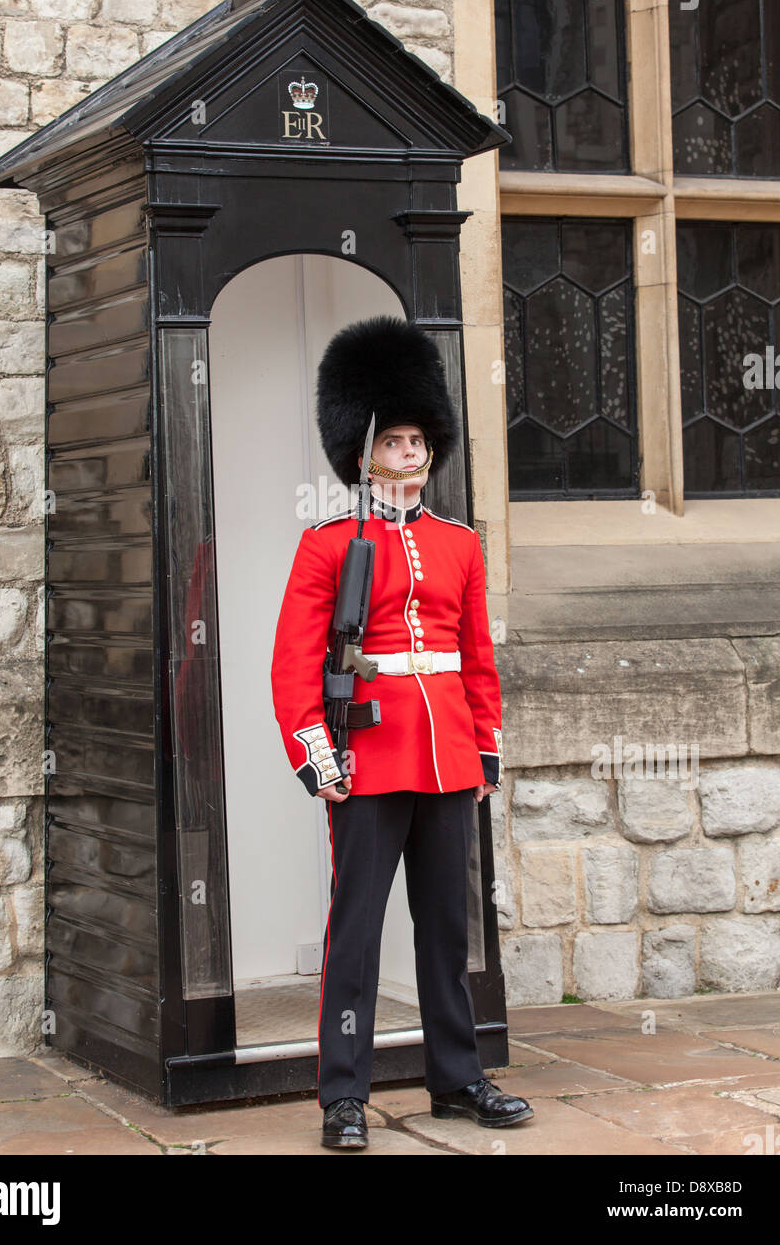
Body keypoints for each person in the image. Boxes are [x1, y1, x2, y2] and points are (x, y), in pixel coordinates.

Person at [270, 315, 533, 1150]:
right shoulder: (324, 547)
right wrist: (317, 757)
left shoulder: (459, 545)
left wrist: (483, 747)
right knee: (355, 931)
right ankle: (342, 1096)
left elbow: (474, 656)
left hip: (449, 754)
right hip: (369, 758)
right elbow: (293, 667)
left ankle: (456, 1077)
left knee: (447, 928)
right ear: (364, 451)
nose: (412, 454)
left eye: (421, 439)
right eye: (397, 441)